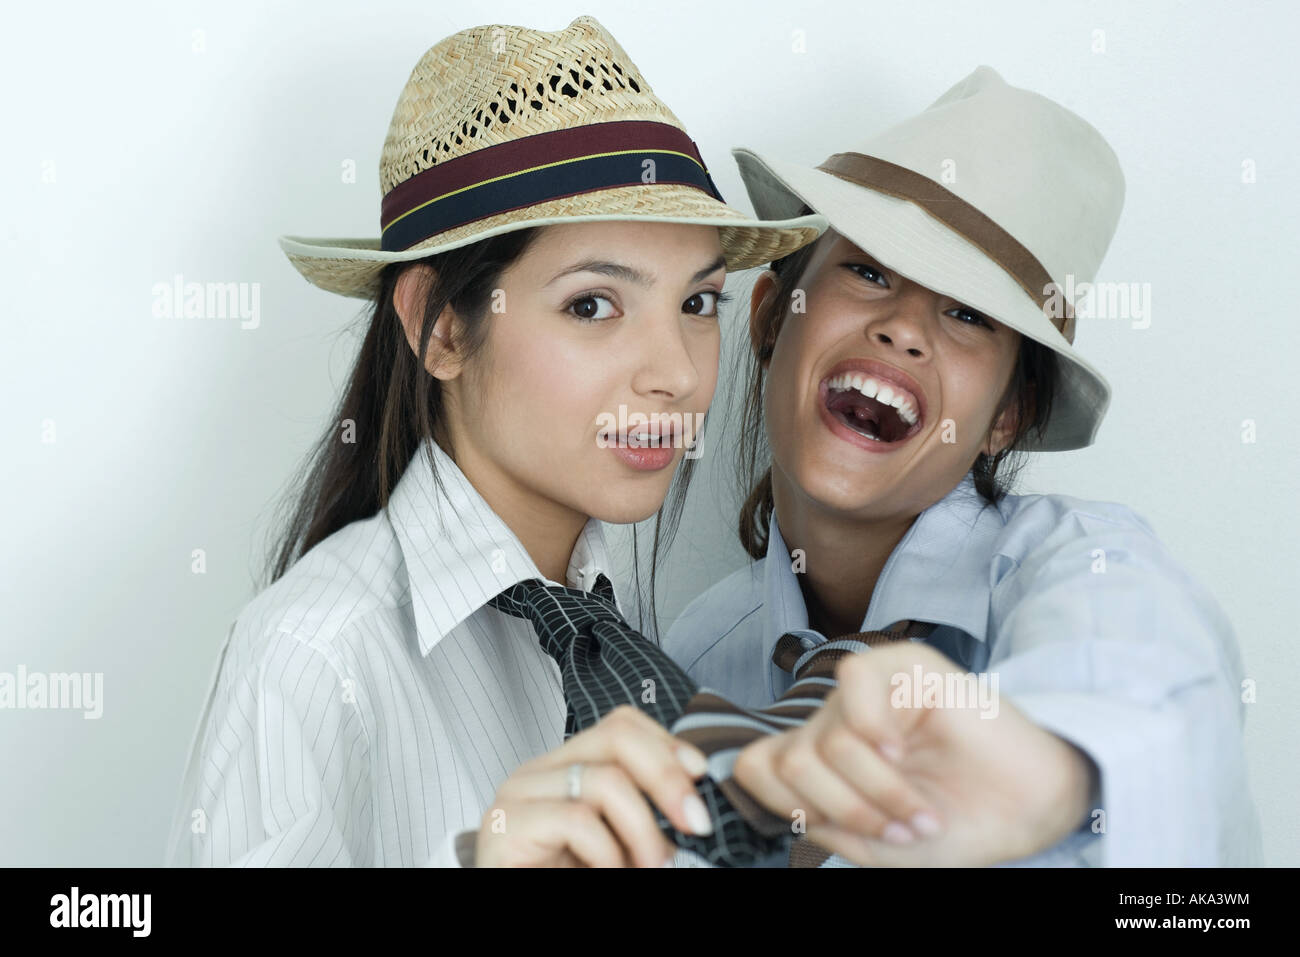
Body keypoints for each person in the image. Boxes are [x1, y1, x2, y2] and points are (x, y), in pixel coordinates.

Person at [163, 15, 825, 868]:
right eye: (593, 304)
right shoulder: (312, 657)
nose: (678, 374)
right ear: (439, 327)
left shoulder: (636, 646)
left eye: (698, 304)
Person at [662, 65, 1265, 867]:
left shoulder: (1077, 565)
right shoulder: (698, 656)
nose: (905, 329)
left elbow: (1145, 664)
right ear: (773, 316)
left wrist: (1049, 773)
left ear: (1007, 417)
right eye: (869, 269)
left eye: (967, 313)